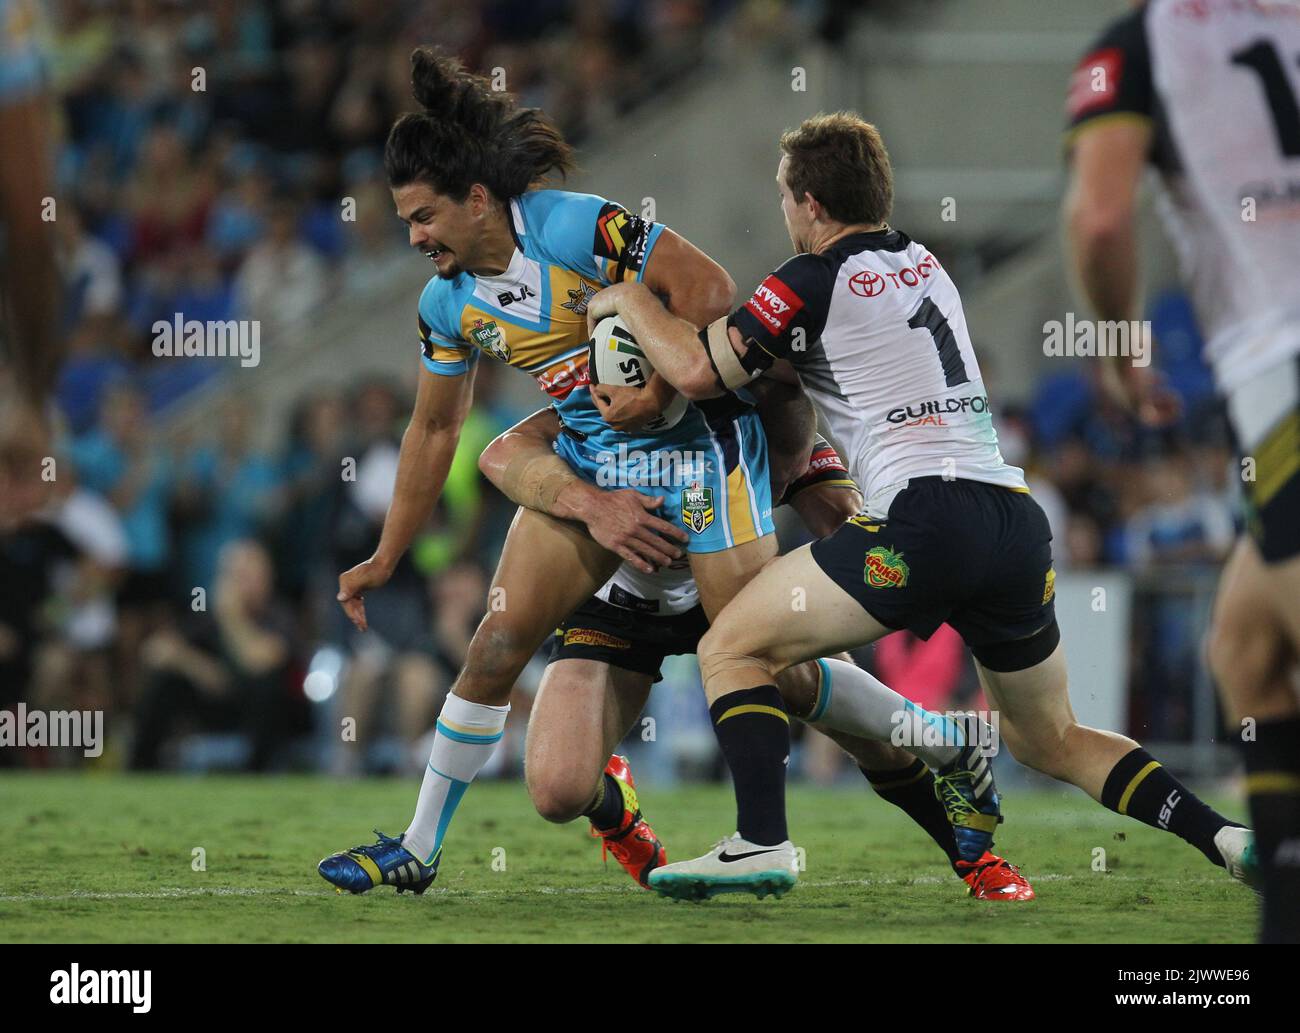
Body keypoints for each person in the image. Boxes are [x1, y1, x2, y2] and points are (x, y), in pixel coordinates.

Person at [319, 50, 1001, 897]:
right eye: (407, 221)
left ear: (479, 201)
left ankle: (939, 747)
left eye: (424, 218)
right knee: (497, 647)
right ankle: (418, 846)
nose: (415, 239)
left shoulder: (574, 227)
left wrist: (651, 373)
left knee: (774, 666)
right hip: (594, 477)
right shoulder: (445, 306)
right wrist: (387, 555)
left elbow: (711, 289)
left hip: (699, 455)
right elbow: (432, 429)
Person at [587, 111, 1255, 902]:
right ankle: (1224, 834)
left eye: (784, 199)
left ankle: (759, 841)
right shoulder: (924, 260)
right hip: (1012, 519)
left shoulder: (808, 277)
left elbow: (699, 370)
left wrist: (629, 300)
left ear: (808, 201)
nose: (785, 214)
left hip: (922, 518)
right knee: (1051, 737)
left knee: (731, 646)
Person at [477, 405, 1034, 899]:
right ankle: (615, 809)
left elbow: (845, 530)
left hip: (732, 593)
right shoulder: (588, 416)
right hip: (619, 606)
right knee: (557, 792)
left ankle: (974, 857)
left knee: (870, 739)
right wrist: (585, 502)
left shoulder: (760, 424)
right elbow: (505, 456)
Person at [1063, 0, 1299, 943]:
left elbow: (1102, 214)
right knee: (1245, 651)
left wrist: (1119, 348)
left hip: (1284, 376)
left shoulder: (1140, 44)